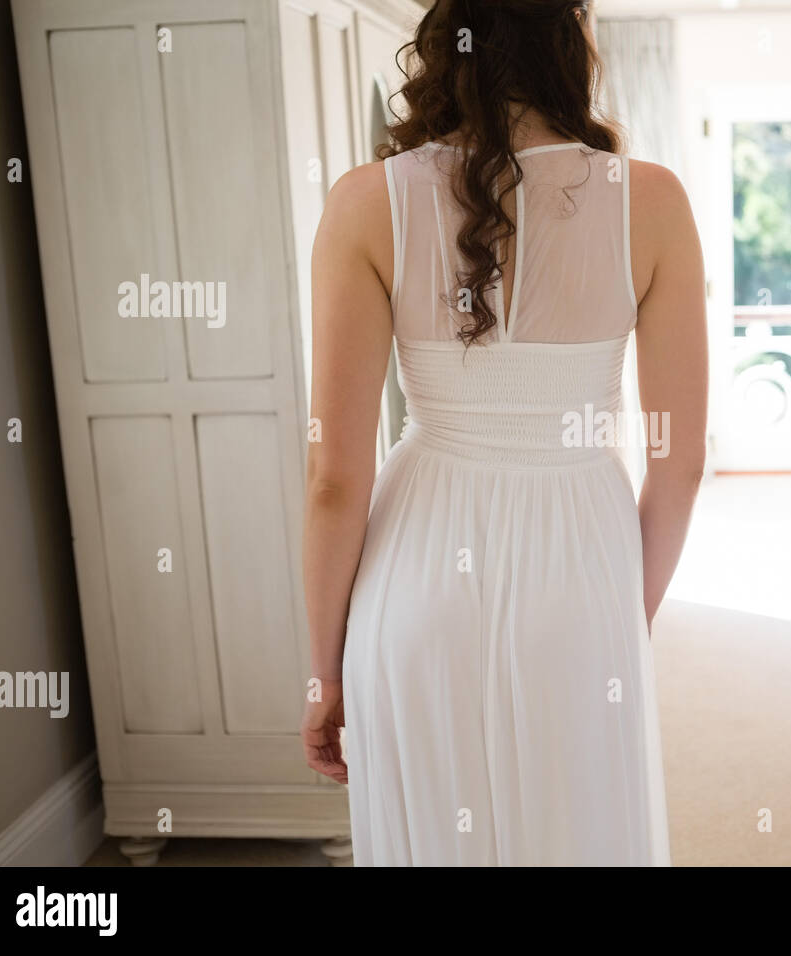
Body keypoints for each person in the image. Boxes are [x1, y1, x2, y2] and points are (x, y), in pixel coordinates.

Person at [299, 0, 706, 866]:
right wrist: (616, 621)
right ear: (571, 45)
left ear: (446, 46)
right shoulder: (656, 203)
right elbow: (679, 466)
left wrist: (325, 672)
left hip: (415, 574)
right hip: (581, 563)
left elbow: (334, 480)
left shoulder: (366, 204)